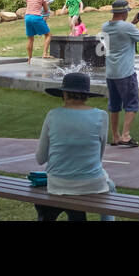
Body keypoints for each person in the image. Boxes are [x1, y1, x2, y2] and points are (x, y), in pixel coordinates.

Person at [37, 71, 115, 220]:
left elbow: (40, 159)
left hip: (57, 185)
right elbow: (99, 158)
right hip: (92, 185)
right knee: (110, 187)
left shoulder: (52, 115)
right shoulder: (101, 116)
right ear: (86, 95)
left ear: (64, 94)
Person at [102, 0, 139, 147]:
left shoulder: (106, 26)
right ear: (123, 13)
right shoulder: (126, 27)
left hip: (111, 72)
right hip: (126, 72)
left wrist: (133, 23)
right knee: (131, 104)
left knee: (114, 105)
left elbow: (122, 32)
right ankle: (126, 135)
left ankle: (115, 136)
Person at [24, 0, 54, 64]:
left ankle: (29, 59)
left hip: (27, 17)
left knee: (30, 38)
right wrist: (47, 13)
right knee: (48, 35)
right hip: (36, 17)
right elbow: (45, 9)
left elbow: (29, 6)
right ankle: (44, 54)